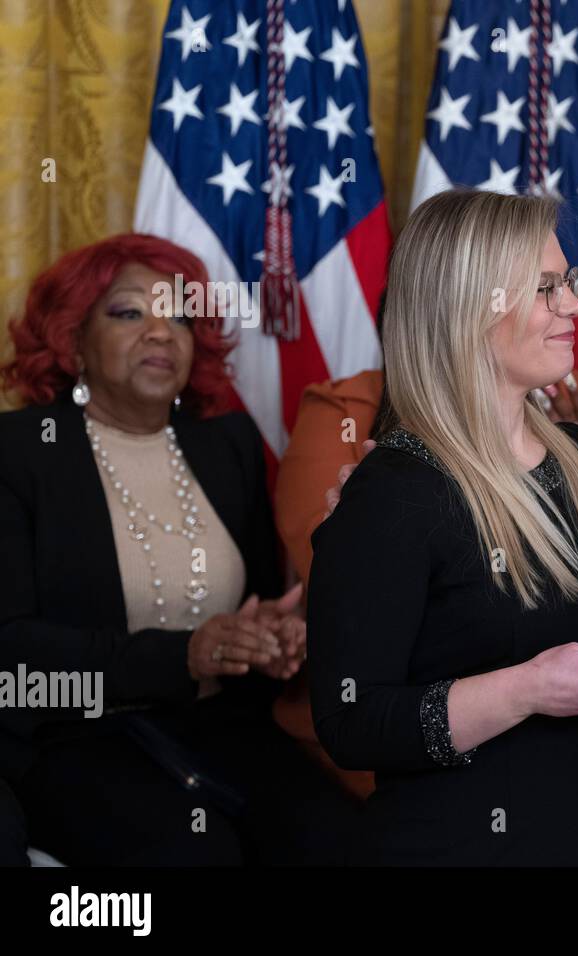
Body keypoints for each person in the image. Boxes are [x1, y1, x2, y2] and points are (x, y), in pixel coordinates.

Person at [307, 188, 578, 865]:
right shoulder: (393, 492)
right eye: (546, 289)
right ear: (468, 309)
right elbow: (351, 722)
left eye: (568, 282)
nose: (575, 305)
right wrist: (524, 689)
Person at [0, 234, 358, 865]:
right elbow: (13, 650)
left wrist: (271, 639)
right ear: (72, 340)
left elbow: (254, 606)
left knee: (341, 845)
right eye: (130, 312)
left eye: (180, 316)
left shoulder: (228, 445)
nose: (162, 332)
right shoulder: (23, 450)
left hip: (224, 728)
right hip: (79, 736)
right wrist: (188, 653)